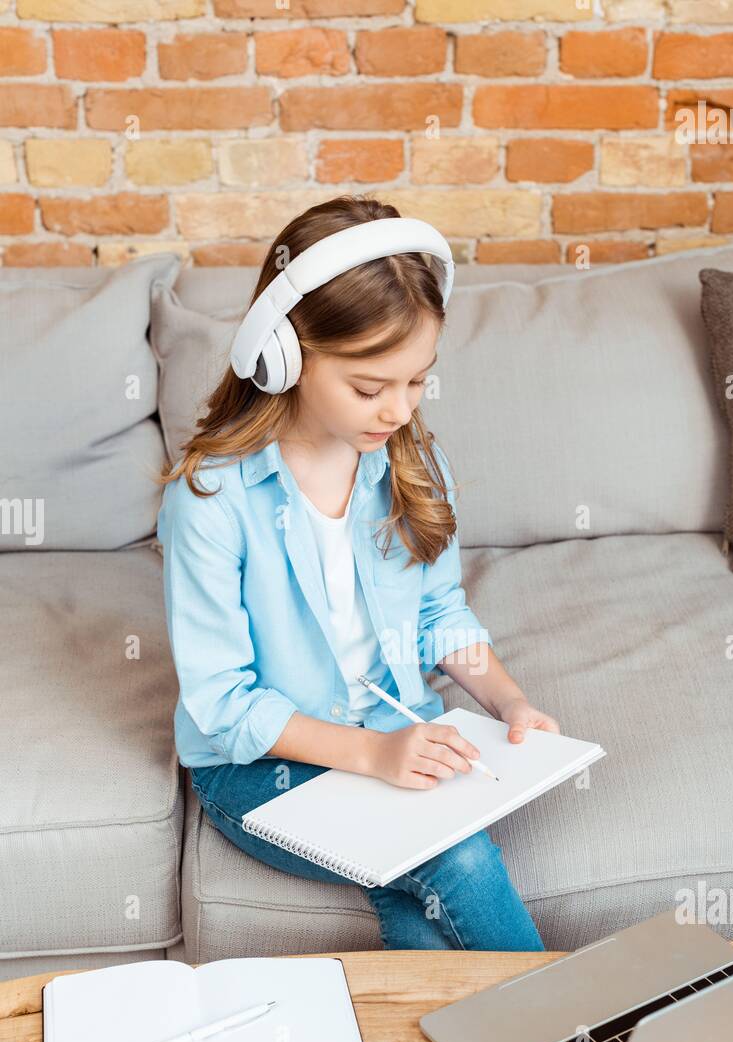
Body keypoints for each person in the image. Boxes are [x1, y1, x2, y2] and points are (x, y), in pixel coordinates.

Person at [156, 193, 560, 950]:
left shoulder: (412, 461)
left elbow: (439, 614)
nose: (399, 411)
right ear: (282, 358)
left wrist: (510, 703)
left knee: (420, 890)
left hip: (394, 726)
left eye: (416, 382)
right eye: (370, 388)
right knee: (458, 857)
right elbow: (222, 702)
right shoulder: (212, 499)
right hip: (255, 767)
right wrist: (373, 756)